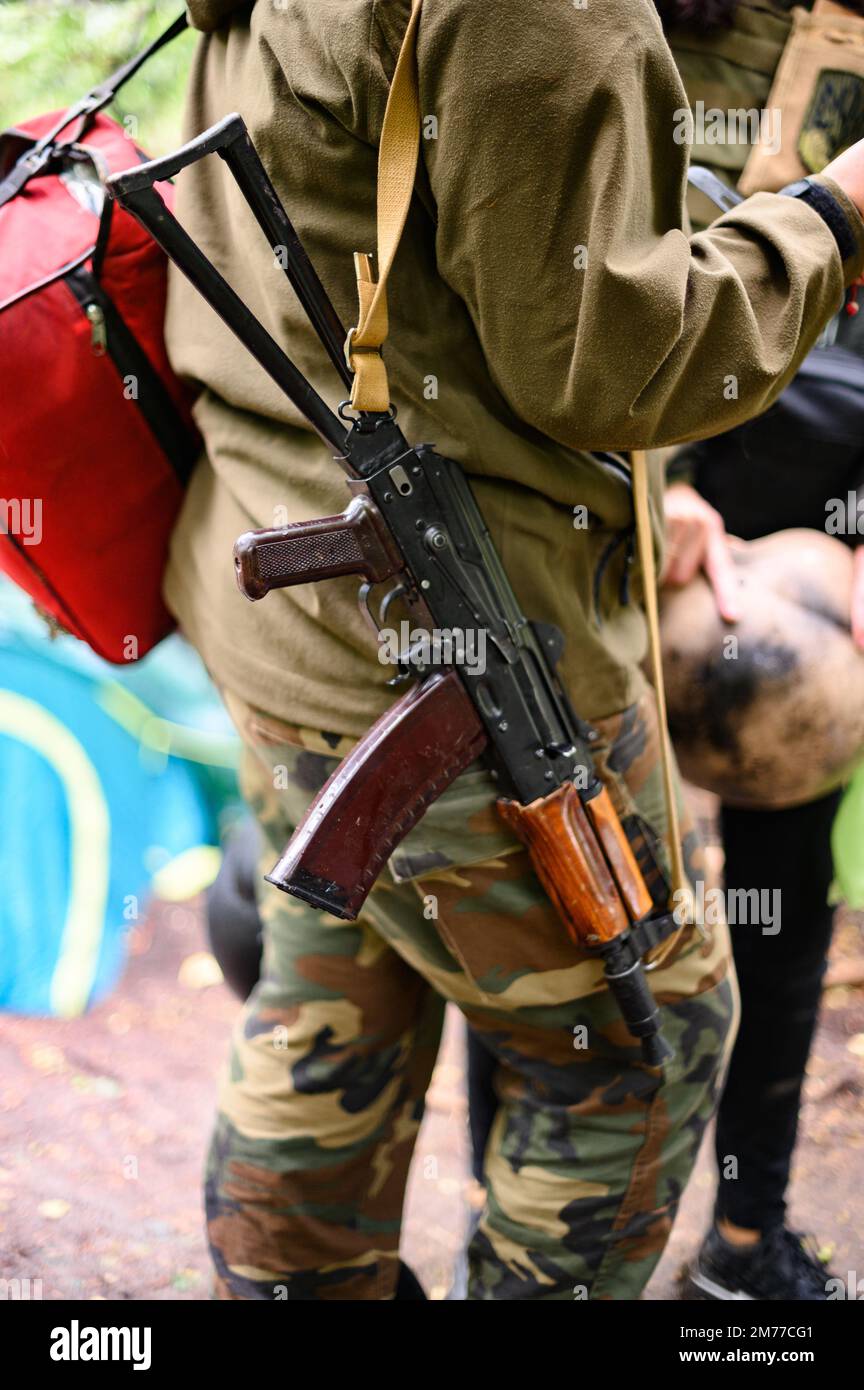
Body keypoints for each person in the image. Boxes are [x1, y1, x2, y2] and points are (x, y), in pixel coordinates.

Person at [164, 0, 864, 1300]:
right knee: (638, 1050)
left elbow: (400, 237)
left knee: (333, 994)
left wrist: (646, 490)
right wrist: (834, 219)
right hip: (448, 644)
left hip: (280, 584)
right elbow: (617, 357)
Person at [660, 0, 864, 1300]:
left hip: (823, 528)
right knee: (559, 891)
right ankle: (527, 1253)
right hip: (628, 492)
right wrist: (651, 482)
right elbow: (543, 258)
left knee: (784, 908)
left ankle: (744, 1244)